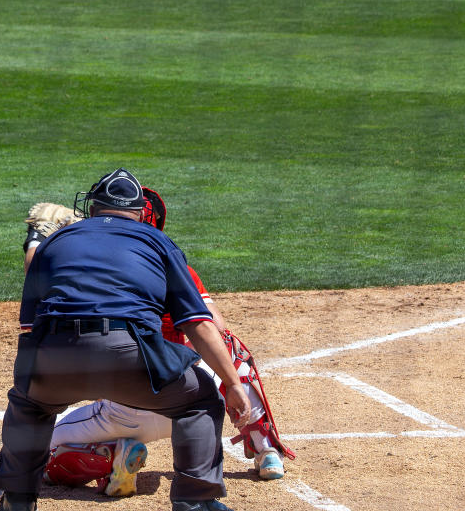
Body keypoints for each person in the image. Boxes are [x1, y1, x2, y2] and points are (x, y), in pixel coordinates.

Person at [0, 168, 250, 511]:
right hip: (130, 358)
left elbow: (29, 325)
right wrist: (231, 383)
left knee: (29, 405)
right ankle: (194, 503)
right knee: (200, 398)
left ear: (93, 206)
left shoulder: (55, 242)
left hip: (56, 356)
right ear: (140, 212)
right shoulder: (158, 242)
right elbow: (199, 323)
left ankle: (18, 500)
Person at [30, 187, 294, 498]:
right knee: (231, 350)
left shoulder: (95, 271)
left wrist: (38, 243)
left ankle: (108, 456)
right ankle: (265, 450)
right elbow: (213, 327)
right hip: (185, 402)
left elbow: (39, 288)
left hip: (124, 406)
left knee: (39, 445)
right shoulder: (176, 267)